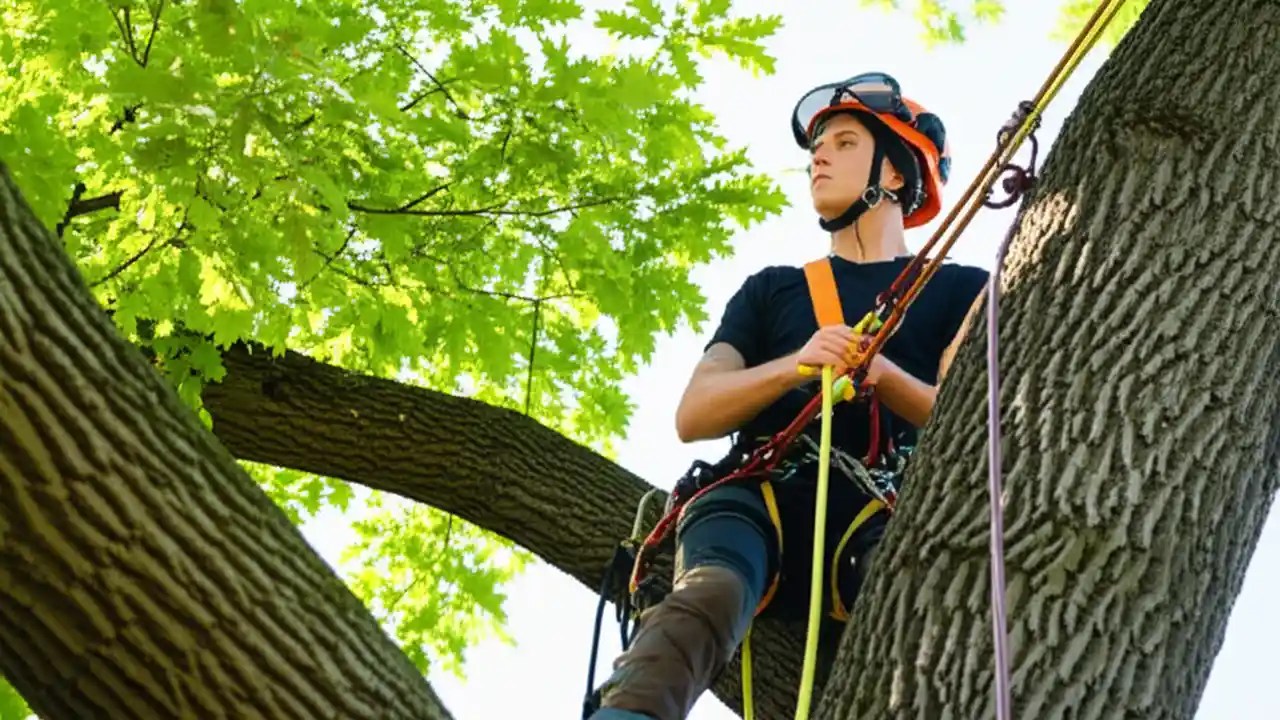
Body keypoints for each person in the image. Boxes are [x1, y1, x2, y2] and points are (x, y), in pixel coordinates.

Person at [588, 72, 989, 720]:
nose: (818, 158)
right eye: (815, 149)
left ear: (894, 174)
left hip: (881, 506)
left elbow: (972, 423)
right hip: (758, 493)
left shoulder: (959, 289)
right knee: (708, 595)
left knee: (912, 611)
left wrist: (885, 376)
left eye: (845, 142)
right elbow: (694, 415)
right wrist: (795, 368)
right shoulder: (772, 290)